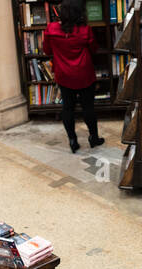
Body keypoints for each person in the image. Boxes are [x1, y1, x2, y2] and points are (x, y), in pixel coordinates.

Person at [43, 0, 103, 154]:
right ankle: (93, 138)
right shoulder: (85, 30)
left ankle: (72, 140)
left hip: (64, 75)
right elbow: (94, 49)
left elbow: (47, 50)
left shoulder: (51, 29)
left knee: (67, 108)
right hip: (84, 74)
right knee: (88, 107)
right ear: (80, 13)